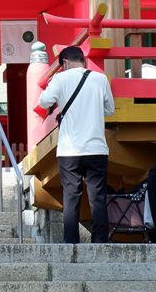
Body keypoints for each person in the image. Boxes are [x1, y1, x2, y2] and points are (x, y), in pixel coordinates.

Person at [37, 45, 116, 244]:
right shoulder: (100, 78)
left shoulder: (60, 78)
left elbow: (44, 101)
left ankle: (71, 242)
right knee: (97, 196)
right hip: (96, 147)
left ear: (64, 63)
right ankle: (100, 240)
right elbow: (110, 110)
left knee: (71, 196)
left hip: (69, 149)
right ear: (82, 59)